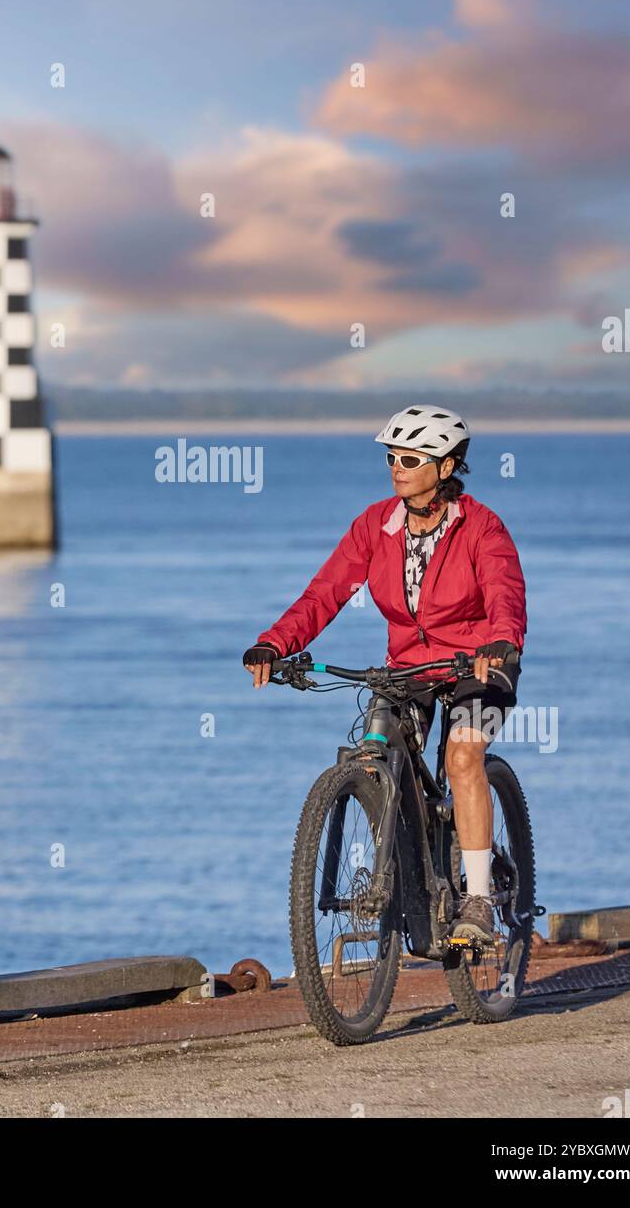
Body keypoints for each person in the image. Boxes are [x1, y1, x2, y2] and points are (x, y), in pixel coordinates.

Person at [242, 405, 526, 945]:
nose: (396, 466)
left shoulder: (481, 526)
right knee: (377, 753)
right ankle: (402, 877)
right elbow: (325, 592)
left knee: (462, 754)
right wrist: (276, 643)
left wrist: (502, 639)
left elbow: (504, 589)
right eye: (391, 456)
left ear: (445, 467)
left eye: (410, 457)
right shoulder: (376, 525)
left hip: (479, 662)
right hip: (409, 666)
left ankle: (481, 898)